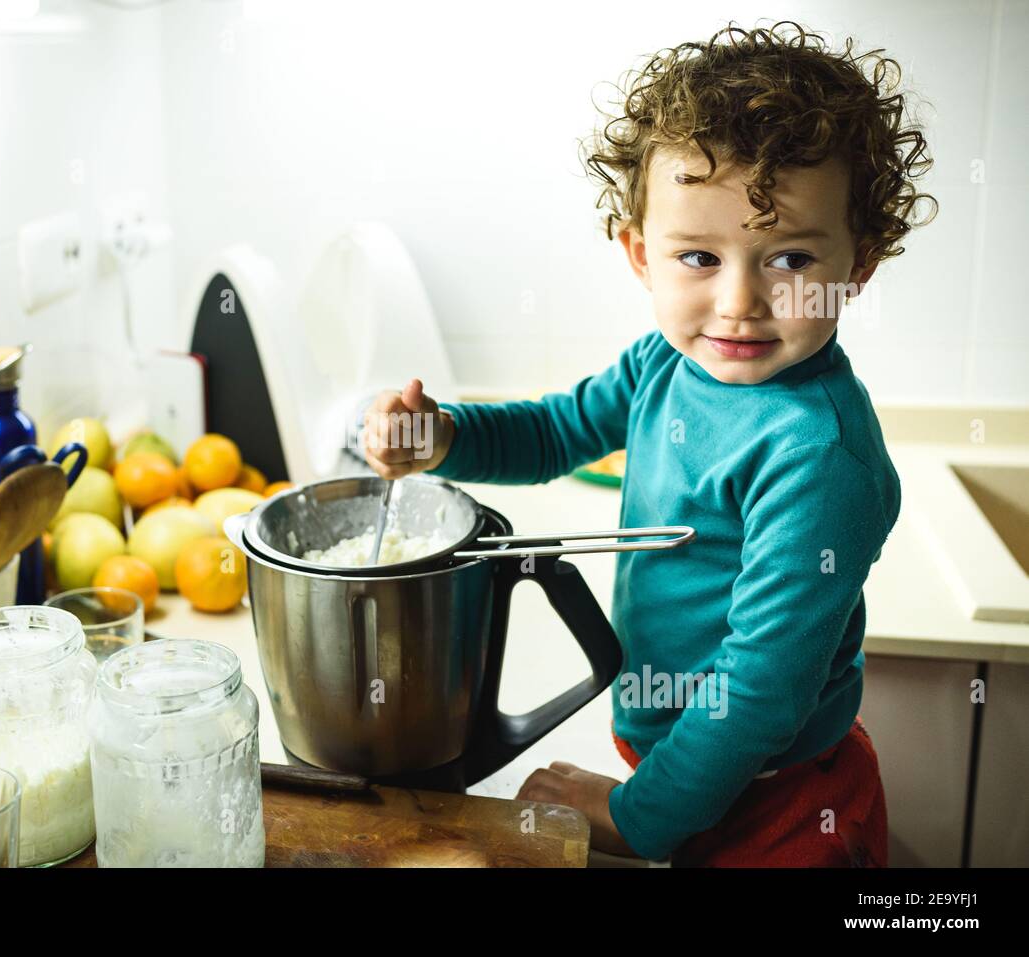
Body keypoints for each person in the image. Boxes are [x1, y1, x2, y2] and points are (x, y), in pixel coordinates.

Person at [363, 21, 936, 866]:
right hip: (695, 779)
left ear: (863, 263)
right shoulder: (664, 364)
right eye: (700, 256)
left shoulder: (819, 456)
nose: (740, 301)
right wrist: (442, 435)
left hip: (780, 811)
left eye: (790, 260)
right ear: (641, 255)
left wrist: (637, 816)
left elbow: (759, 691)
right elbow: (557, 430)